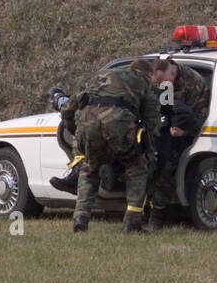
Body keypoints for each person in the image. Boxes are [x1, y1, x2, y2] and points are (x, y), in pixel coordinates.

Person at [68, 58, 160, 233]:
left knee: (89, 169)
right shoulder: (143, 81)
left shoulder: (100, 75)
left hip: (87, 123)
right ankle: (132, 223)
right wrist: (150, 141)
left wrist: (75, 131)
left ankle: (80, 217)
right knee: (136, 168)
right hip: (117, 124)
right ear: (148, 74)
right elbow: (152, 116)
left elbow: (71, 105)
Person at [146, 58, 211, 230]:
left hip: (182, 135)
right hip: (156, 131)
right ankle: (141, 210)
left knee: (168, 167)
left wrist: (185, 131)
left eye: (162, 82)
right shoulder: (154, 77)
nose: (160, 86)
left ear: (173, 73)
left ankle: (157, 216)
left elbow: (201, 118)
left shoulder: (195, 84)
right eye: (156, 82)